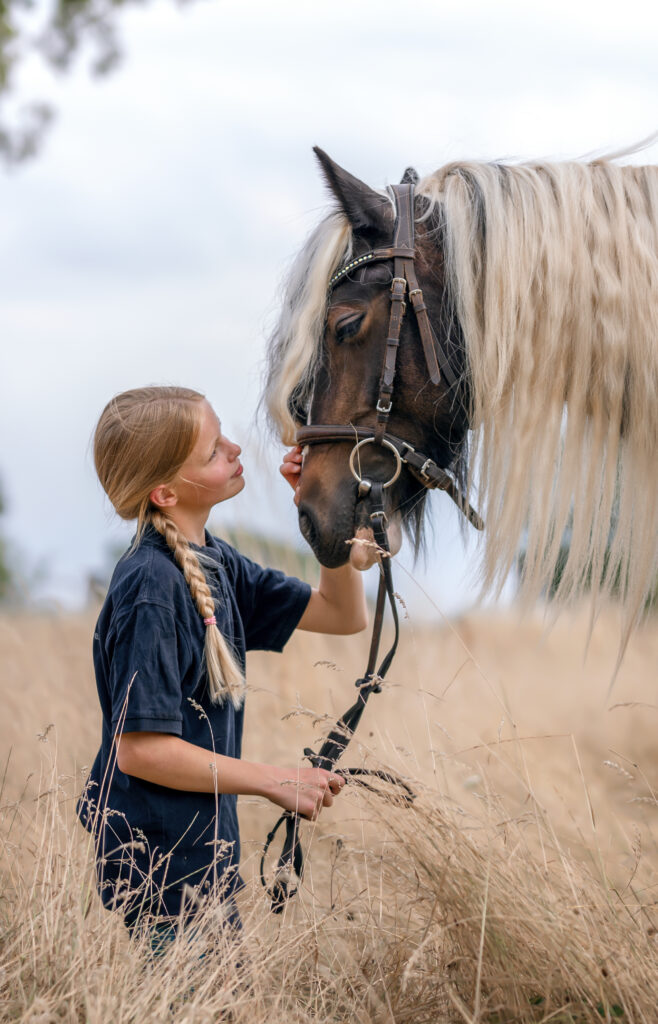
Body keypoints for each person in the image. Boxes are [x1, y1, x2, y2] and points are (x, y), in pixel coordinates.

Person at [77, 385, 367, 948]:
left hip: (201, 864)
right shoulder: (151, 587)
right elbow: (140, 749)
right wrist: (277, 781)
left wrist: (329, 515)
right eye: (213, 451)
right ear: (164, 491)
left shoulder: (217, 562)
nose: (236, 449)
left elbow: (342, 615)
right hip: (158, 872)